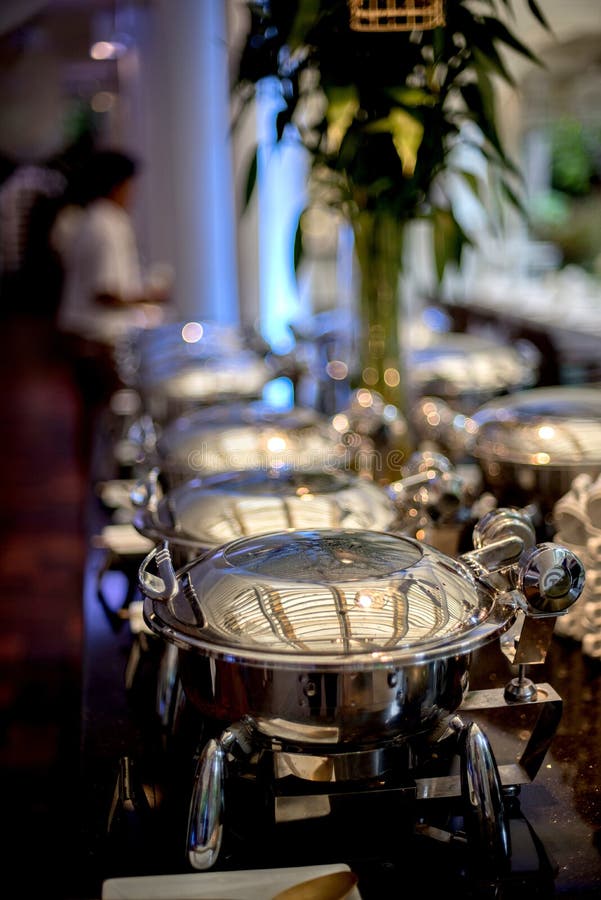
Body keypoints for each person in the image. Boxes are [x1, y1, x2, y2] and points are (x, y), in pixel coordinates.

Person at [53, 148, 171, 468]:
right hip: (99, 337)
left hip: (80, 331)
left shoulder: (89, 217)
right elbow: (105, 292)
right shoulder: (110, 225)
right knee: (111, 420)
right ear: (116, 184)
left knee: (93, 419)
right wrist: (149, 296)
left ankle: (92, 479)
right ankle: (105, 487)